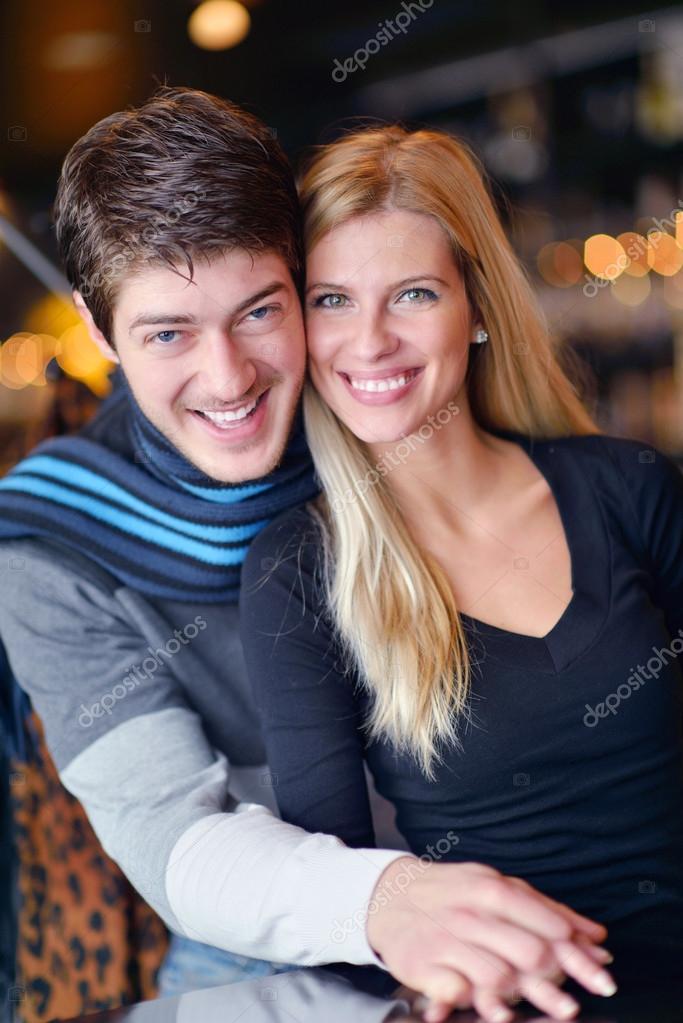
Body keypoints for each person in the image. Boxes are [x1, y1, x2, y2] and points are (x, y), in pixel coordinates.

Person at [0, 90, 608, 1020]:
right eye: (168, 333)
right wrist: (383, 900)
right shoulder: (51, 548)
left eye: (257, 312)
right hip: (261, 948)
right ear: (93, 328)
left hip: (543, 876)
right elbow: (173, 835)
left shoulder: (387, 401)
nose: (229, 378)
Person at [240, 125, 683, 1022]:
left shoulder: (627, 488)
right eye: (330, 299)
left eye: (411, 293)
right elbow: (347, 905)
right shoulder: (299, 571)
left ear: (476, 307)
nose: (368, 342)